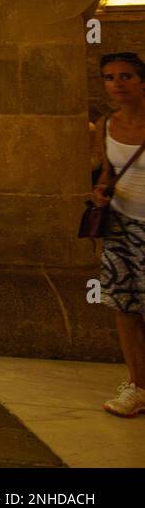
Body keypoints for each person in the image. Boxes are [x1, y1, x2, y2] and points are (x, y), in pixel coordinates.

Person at [89, 51, 145, 417]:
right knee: (123, 306)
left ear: (142, 82)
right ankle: (137, 385)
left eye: (125, 76)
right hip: (122, 227)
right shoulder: (106, 126)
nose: (117, 84)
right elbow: (105, 173)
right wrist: (100, 191)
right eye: (109, 78)